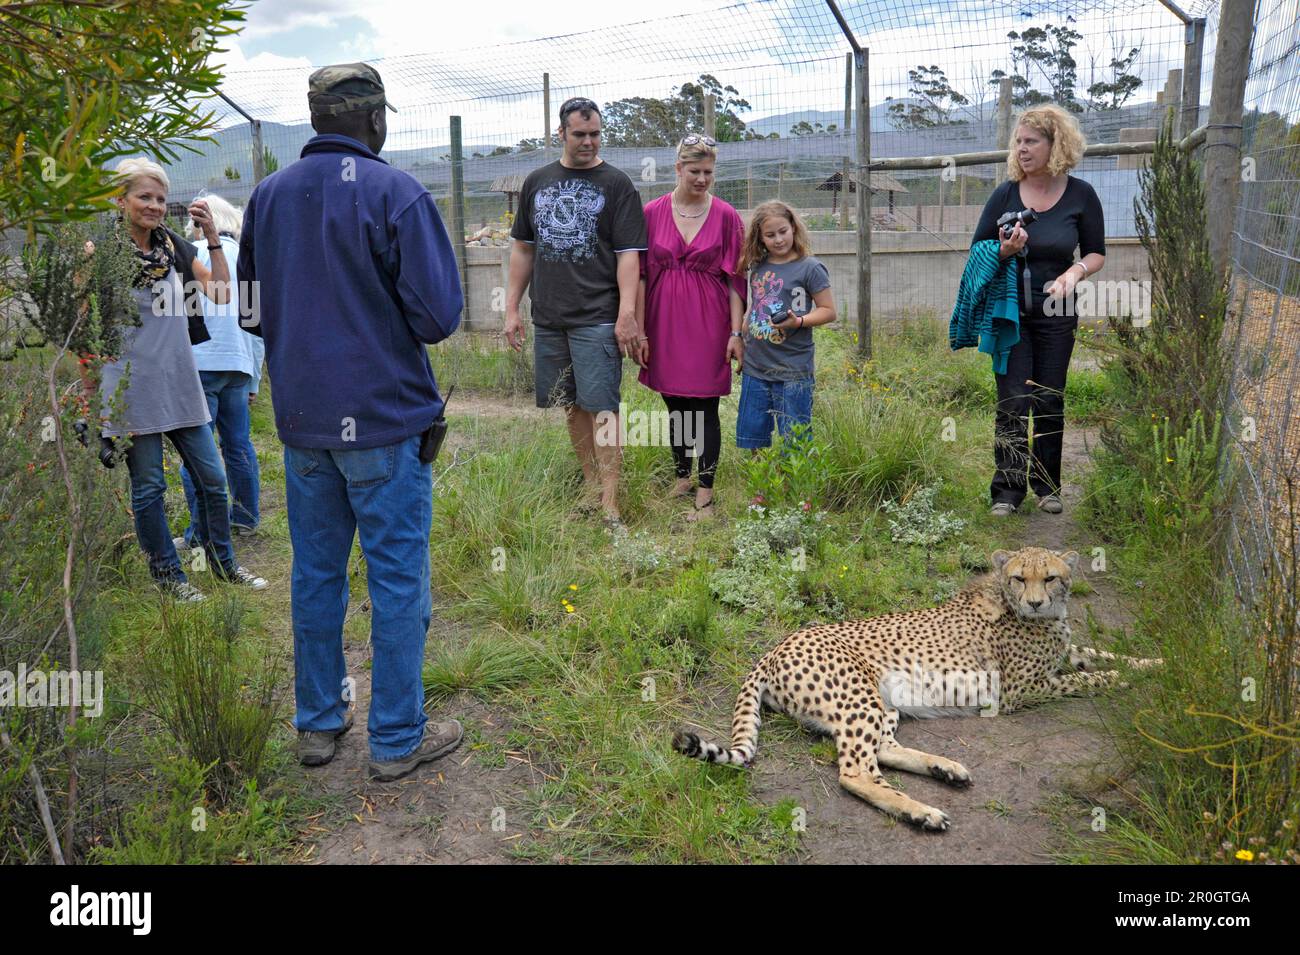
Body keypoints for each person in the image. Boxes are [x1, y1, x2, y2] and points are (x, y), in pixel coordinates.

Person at [238, 63, 465, 780]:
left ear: (314, 120)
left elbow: (249, 311)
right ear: (375, 120)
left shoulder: (266, 198)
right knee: (397, 581)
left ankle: (319, 724)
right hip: (385, 423)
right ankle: (396, 740)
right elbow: (438, 317)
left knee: (316, 576)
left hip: (303, 426)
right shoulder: (396, 192)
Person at [92, 157, 267, 602]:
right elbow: (83, 331)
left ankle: (223, 565)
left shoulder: (173, 248)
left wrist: (211, 239)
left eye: (160, 199)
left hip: (180, 380)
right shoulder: (100, 254)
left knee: (213, 478)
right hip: (130, 386)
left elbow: (224, 293)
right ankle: (170, 578)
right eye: (144, 197)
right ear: (121, 200)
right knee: (149, 486)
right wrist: (94, 401)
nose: (153, 206)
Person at [503, 96, 648, 527]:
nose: (588, 142)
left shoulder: (617, 184)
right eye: (580, 134)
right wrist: (511, 308)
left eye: (595, 134)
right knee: (572, 404)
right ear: (561, 134)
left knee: (603, 406)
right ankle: (589, 486)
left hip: (598, 316)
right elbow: (523, 249)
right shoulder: (537, 181)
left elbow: (628, 256)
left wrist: (627, 315)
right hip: (549, 316)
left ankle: (609, 500)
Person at [972, 104, 1106, 517]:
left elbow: (1097, 252)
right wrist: (1004, 249)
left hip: (1057, 314)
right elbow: (978, 249)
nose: (1022, 149)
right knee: (1013, 399)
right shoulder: (1005, 193)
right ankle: (1006, 493)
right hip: (1010, 314)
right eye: (1019, 142)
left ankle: (1047, 488)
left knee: (1049, 398)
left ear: (1055, 144)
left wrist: (1075, 273)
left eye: (1032, 141)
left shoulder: (1081, 195)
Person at [635, 134, 746, 521]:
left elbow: (735, 279)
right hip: (662, 320)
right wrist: (640, 329)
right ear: (678, 169)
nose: (702, 179)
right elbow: (642, 276)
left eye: (709, 173)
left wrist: (736, 333)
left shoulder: (728, 216)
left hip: (709, 323)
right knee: (674, 402)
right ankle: (681, 476)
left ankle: (706, 490)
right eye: (694, 171)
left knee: (705, 405)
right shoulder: (651, 212)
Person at [176, 193, 264, 548]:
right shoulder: (246, 259)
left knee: (198, 451)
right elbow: (256, 321)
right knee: (238, 445)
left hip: (202, 362)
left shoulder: (194, 256)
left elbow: (179, 315)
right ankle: (245, 518)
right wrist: (254, 374)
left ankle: (201, 532)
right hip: (239, 363)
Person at [735, 200, 836, 453]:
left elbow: (828, 311)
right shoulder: (758, 266)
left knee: (795, 441)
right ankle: (762, 490)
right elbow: (755, 306)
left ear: (793, 228)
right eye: (770, 235)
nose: (778, 239)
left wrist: (798, 322)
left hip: (793, 369)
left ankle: (796, 491)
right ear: (760, 237)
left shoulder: (810, 267)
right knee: (754, 438)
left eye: (783, 232)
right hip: (756, 368)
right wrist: (743, 335)